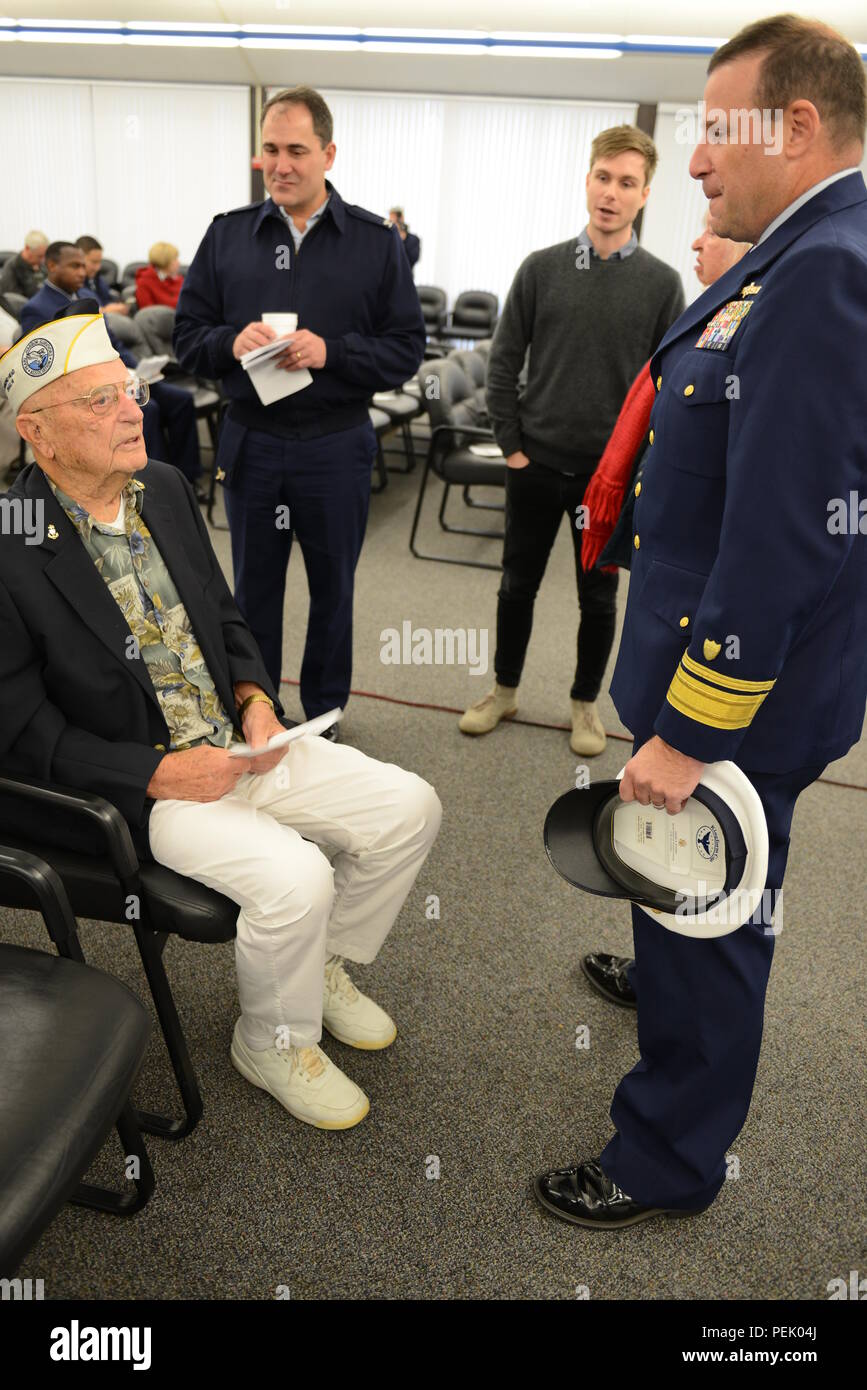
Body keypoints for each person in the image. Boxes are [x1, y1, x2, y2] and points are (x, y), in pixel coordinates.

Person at [534, 14, 867, 1230]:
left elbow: (788, 534)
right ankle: (664, 953)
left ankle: (667, 1159)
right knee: (694, 891)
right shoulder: (793, 251)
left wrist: (688, 731)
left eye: (717, 132)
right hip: (717, 668)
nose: (695, 161)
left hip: (734, 694)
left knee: (721, 904)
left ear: (796, 124)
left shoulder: (828, 264)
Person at [0, 312, 442, 1131]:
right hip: (147, 787)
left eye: (128, 392)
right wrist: (159, 773)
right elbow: (21, 737)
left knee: (409, 806)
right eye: (99, 403)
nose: (133, 412)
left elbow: (226, 618)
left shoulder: (163, 488)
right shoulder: (8, 547)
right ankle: (271, 1039)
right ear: (38, 433)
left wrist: (255, 699)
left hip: (241, 743)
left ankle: (324, 963)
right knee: (295, 878)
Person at [174, 86, 426, 731]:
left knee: (332, 593)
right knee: (251, 594)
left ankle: (323, 716)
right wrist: (230, 341)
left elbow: (404, 351)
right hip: (252, 442)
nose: (280, 164)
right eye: (269, 149)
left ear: (328, 154)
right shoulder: (227, 236)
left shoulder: (375, 242)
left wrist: (332, 352)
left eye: (296, 150)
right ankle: (259, 714)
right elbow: (186, 338)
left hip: (335, 446)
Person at [460, 125, 685, 756]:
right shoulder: (541, 269)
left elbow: (665, 387)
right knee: (515, 586)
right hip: (535, 462)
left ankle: (585, 705)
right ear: (587, 180)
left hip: (606, 478)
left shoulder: (662, 284)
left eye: (627, 183)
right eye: (603, 178)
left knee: (598, 597)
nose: (611, 193)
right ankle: (503, 691)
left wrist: (638, 467)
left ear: (645, 195)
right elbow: (502, 363)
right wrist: (511, 447)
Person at [21, 242, 203, 493]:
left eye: (83, 266)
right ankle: (153, 485)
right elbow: (47, 370)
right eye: (75, 266)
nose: (82, 272)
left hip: (122, 375)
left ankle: (186, 480)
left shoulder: (88, 297)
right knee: (147, 408)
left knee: (180, 400)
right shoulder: (35, 308)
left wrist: (138, 367)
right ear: (51, 266)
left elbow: (112, 342)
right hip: (88, 389)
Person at [75, 234, 150, 355]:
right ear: (80, 258)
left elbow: (108, 299)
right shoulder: (75, 284)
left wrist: (119, 307)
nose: (98, 267)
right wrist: (106, 310)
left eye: (99, 262)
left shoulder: (97, 279)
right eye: (94, 262)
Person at [0, 230, 48, 300]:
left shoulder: (42, 265)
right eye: (39, 256)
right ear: (27, 248)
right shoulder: (12, 267)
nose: (43, 260)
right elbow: (12, 300)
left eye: (44, 256)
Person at [135, 243, 185, 310]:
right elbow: (148, 312)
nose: (179, 263)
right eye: (175, 259)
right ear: (164, 261)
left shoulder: (180, 280)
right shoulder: (144, 282)